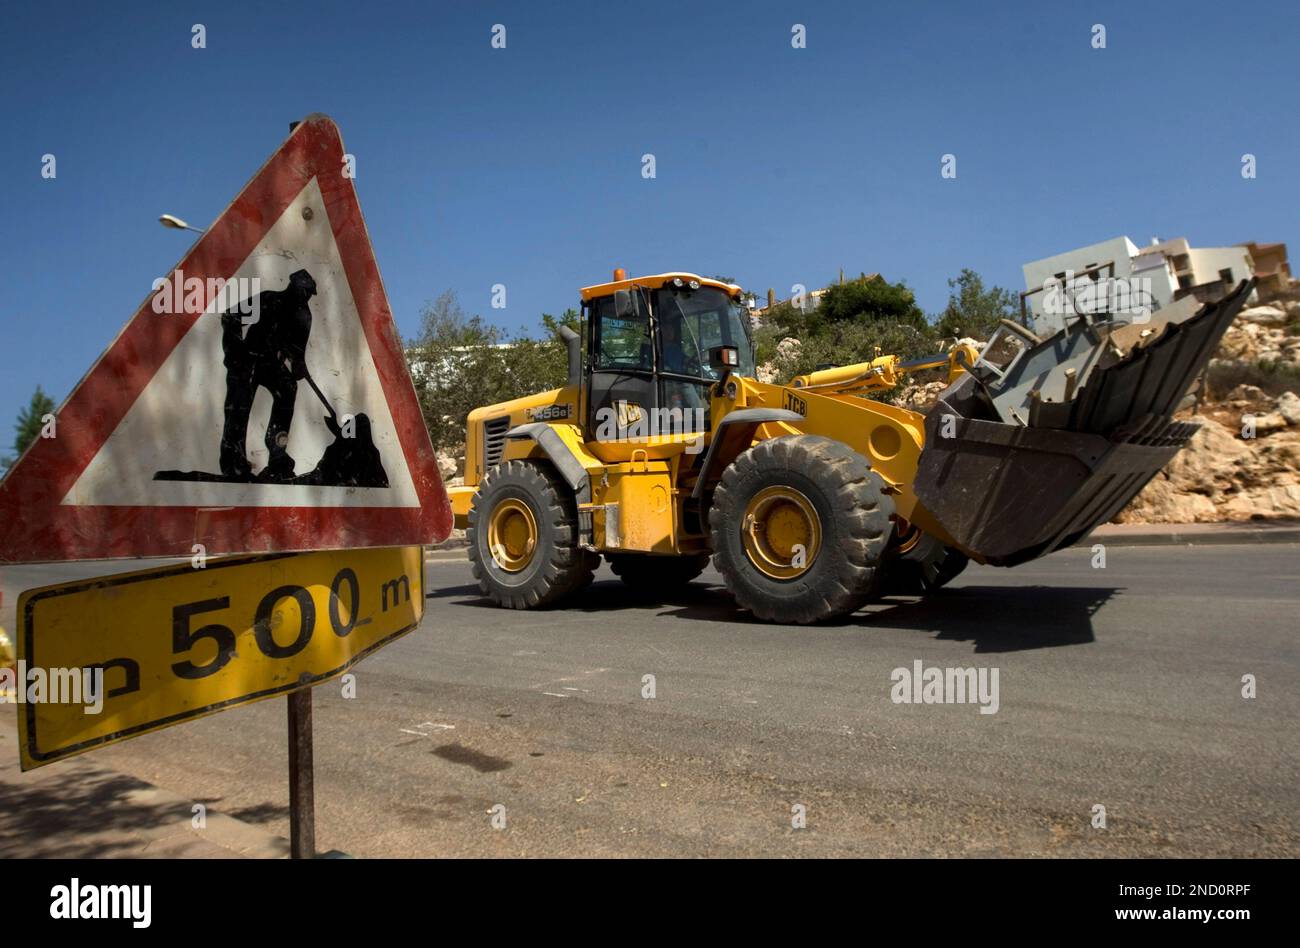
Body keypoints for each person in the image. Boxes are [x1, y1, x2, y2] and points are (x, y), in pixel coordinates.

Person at [219, 269, 316, 481]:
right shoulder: (269, 299)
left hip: (271, 363)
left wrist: (299, 366)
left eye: (309, 293)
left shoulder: (304, 316)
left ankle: (277, 450)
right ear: (293, 286)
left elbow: (297, 355)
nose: (306, 296)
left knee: (288, 388)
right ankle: (233, 460)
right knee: (239, 405)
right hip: (249, 357)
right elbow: (231, 316)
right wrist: (235, 351)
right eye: (304, 291)